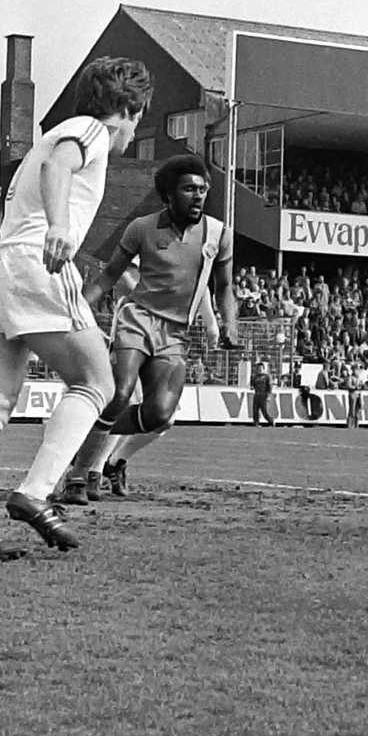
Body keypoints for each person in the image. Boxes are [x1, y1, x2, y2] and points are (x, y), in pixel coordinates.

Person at [0, 56, 153, 560]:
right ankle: (35, 493)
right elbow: (62, 168)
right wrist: (59, 226)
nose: (132, 133)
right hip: (33, 261)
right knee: (98, 383)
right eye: (139, 118)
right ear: (128, 107)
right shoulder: (91, 130)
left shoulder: (52, 136)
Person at [59, 154, 238, 505]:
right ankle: (78, 475)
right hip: (137, 319)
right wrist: (77, 311)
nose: (198, 195)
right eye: (189, 189)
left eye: (202, 189)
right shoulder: (141, 227)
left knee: (159, 415)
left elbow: (225, 287)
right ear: (168, 194)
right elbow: (110, 275)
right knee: (120, 393)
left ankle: (81, 441)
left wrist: (228, 323)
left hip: (175, 334)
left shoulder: (219, 234)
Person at [252, 361, 277, 427]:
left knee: (264, 411)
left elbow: (270, 386)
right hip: (257, 394)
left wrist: (268, 395)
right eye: (258, 368)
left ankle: (271, 421)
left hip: (264, 395)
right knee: (255, 410)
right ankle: (256, 423)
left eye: (261, 368)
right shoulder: (255, 376)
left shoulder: (267, 376)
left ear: (263, 369)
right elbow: (252, 385)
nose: (259, 370)